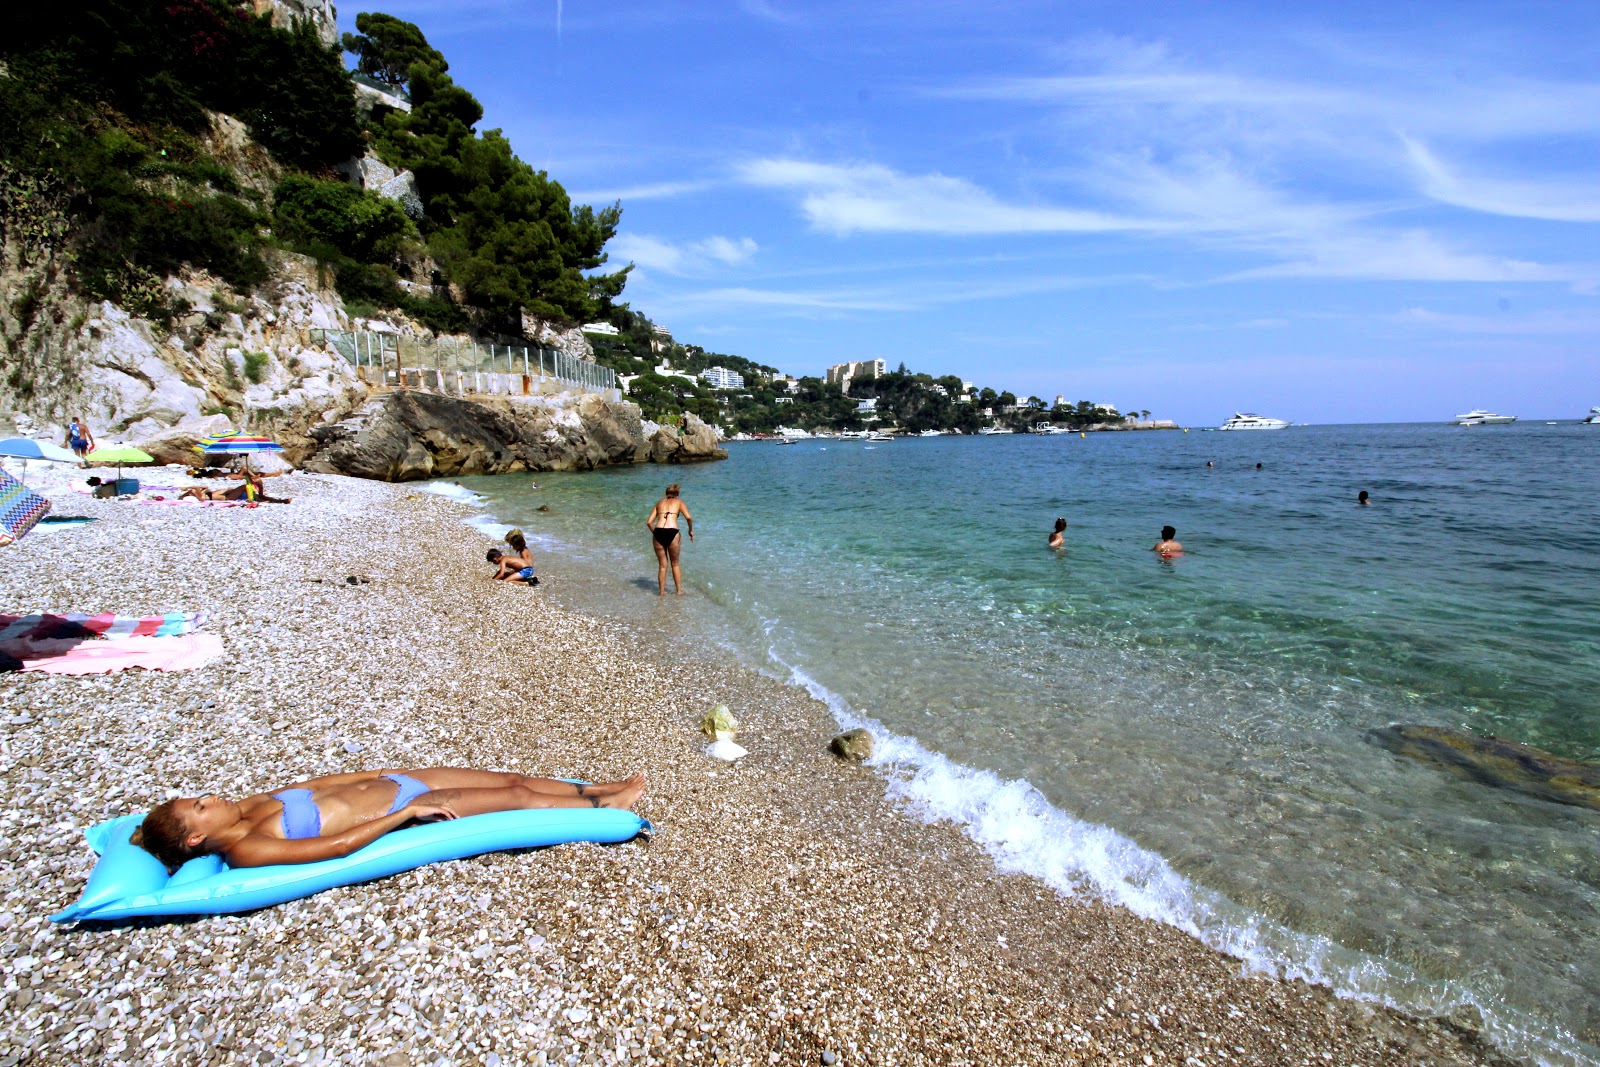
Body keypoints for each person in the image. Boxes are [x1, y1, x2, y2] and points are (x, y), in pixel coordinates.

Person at [131, 768, 647, 871]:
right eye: (201, 807)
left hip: (402, 780)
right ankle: (603, 810)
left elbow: (322, 787)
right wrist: (406, 813)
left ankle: (598, 788)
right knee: (516, 797)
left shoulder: (248, 805)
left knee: (511, 778)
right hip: (404, 806)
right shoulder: (248, 848)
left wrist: (380, 774)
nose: (212, 797)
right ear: (197, 837)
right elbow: (337, 847)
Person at [646, 484, 694, 596]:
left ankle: (661, 593)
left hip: (658, 531)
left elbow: (649, 522)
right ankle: (679, 591)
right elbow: (688, 517)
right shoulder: (679, 502)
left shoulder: (659, 503)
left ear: (666, 493)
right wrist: (690, 530)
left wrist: (656, 534)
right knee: (675, 564)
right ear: (677, 494)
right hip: (672, 531)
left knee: (662, 566)